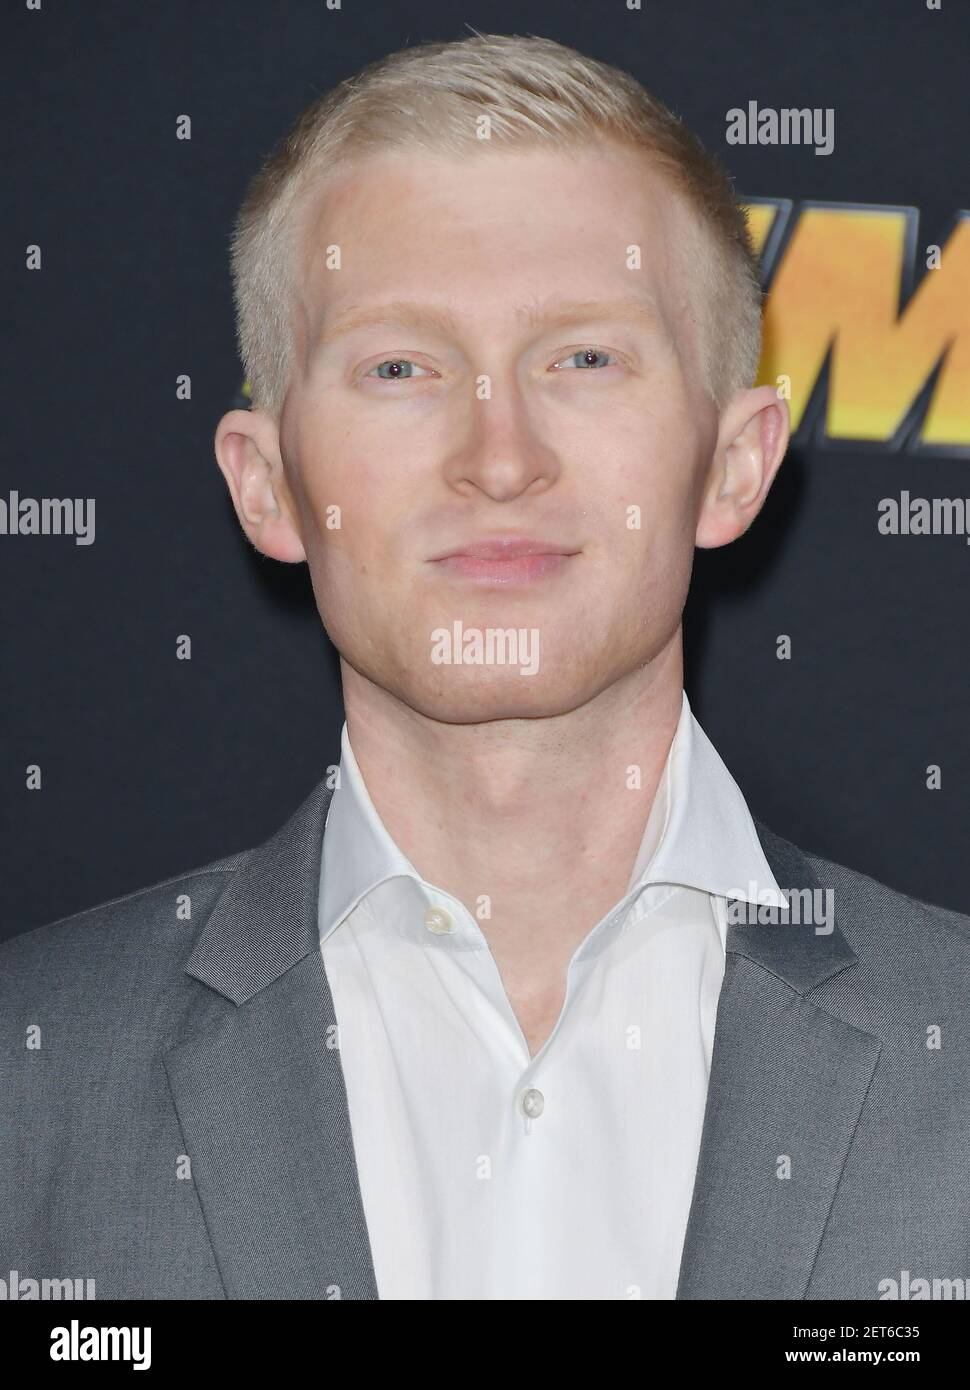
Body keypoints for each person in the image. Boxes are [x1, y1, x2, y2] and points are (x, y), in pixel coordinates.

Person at [3, 32, 968, 1302]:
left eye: (583, 358)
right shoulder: (31, 1078)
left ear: (732, 464)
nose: (499, 456)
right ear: (268, 483)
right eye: (400, 367)